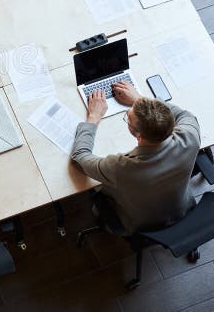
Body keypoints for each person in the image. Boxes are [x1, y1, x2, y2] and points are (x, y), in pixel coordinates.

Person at [70, 80, 200, 234]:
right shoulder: (190, 136)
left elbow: (79, 156)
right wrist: (139, 99)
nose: (128, 114)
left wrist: (93, 117)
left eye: (128, 119)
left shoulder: (121, 168)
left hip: (141, 225)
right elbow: (184, 115)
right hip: (182, 210)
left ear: (139, 136)